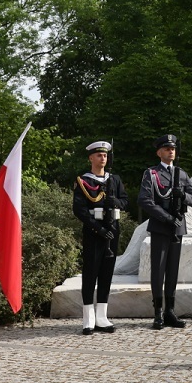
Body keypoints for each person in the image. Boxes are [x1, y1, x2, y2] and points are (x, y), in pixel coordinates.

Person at [138, 133, 192, 329]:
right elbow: (145, 200)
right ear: (159, 152)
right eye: (166, 148)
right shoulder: (152, 173)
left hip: (178, 227)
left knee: (172, 270)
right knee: (158, 270)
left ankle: (170, 311)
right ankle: (158, 313)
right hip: (160, 226)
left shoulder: (181, 174)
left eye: (172, 148)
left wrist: (183, 196)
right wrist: (167, 218)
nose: (171, 151)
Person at [72, 141, 128, 335]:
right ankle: (88, 318)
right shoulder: (83, 181)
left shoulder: (115, 180)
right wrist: (98, 229)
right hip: (94, 231)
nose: (102, 158)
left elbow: (125, 201)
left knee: (106, 274)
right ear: (91, 158)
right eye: (98, 155)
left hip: (112, 230)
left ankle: (102, 316)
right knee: (90, 274)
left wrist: (116, 202)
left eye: (104, 155)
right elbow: (79, 209)